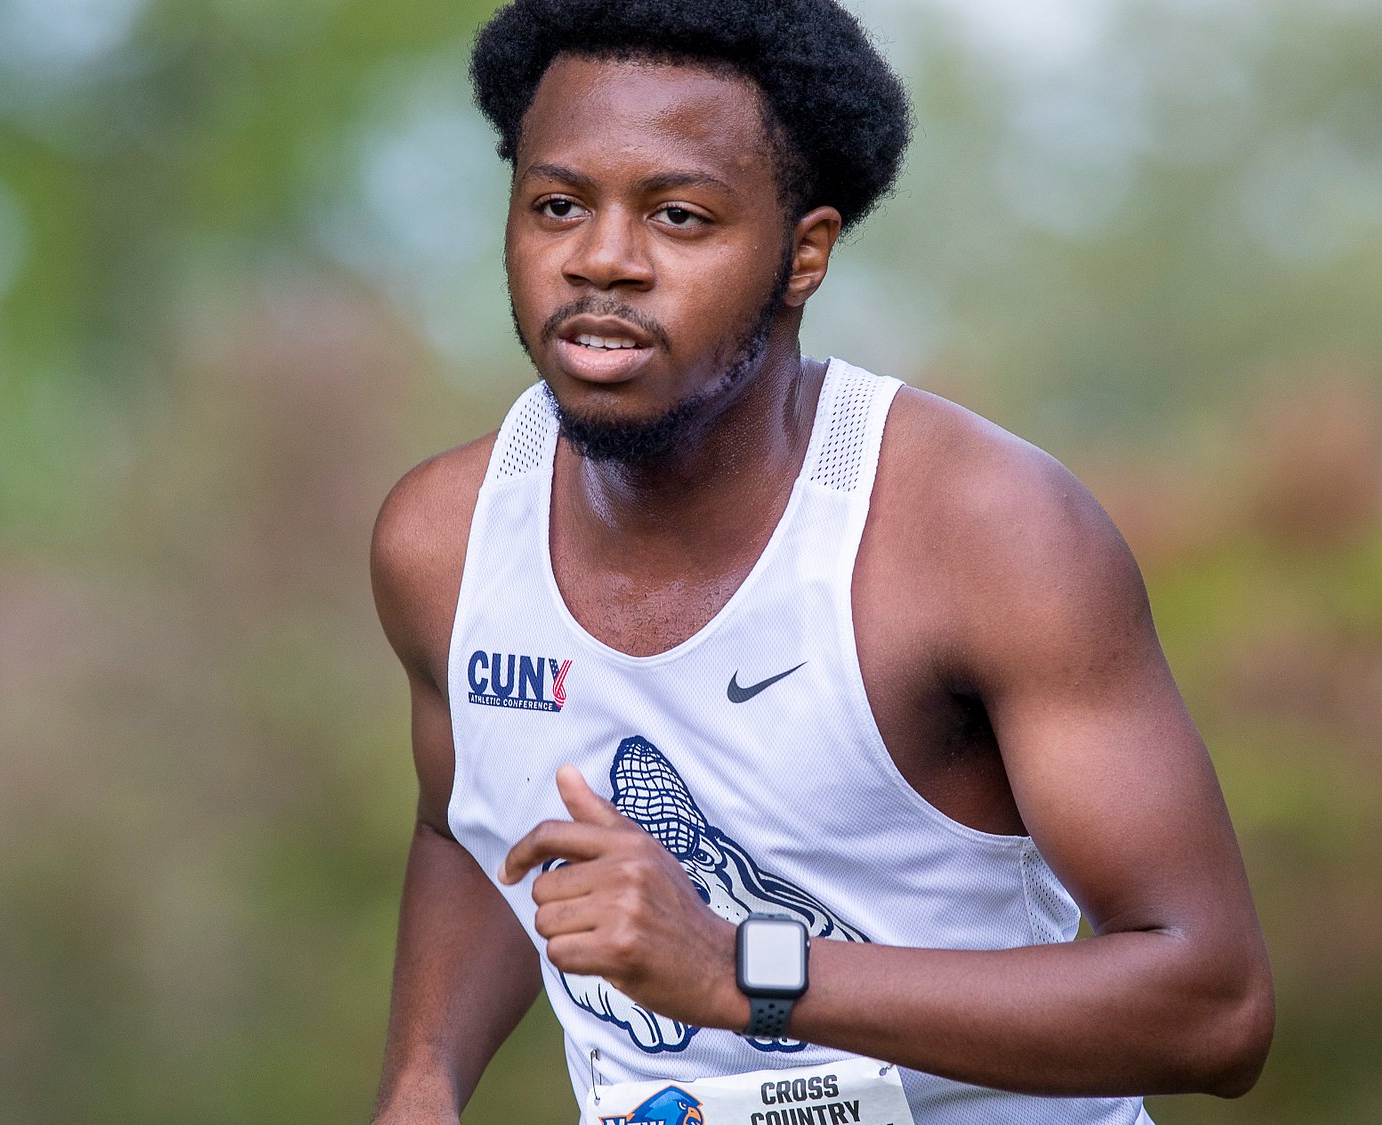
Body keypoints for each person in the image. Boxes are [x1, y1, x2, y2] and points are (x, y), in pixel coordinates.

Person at [368, 1, 1274, 1122]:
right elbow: (466, 825)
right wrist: (421, 1082)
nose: (602, 259)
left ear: (803, 254)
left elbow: (1212, 1005)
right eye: (558, 206)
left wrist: (741, 969)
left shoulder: (979, 532)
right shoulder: (442, 543)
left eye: (679, 216)